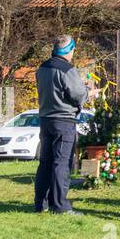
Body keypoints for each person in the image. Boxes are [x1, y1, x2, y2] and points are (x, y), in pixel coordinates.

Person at [34, 35, 91, 215]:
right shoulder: (67, 69)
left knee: (45, 163)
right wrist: (89, 91)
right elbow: (78, 94)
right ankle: (59, 206)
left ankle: (40, 204)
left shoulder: (42, 68)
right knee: (62, 163)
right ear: (69, 50)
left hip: (45, 119)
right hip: (64, 121)